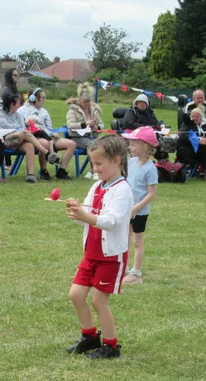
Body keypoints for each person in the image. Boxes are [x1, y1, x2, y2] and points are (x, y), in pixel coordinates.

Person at [65, 135, 132, 360]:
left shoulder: (122, 190)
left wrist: (86, 215)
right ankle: (90, 336)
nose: (95, 168)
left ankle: (111, 346)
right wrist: (77, 211)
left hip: (111, 256)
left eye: (99, 163)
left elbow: (111, 221)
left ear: (116, 161)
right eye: (93, 164)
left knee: (98, 301)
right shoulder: (96, 186)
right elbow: (86, 216)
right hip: (91, 253)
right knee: (76, 295)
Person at [121, 128, 158, 285]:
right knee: (124, 240)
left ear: (145, 146)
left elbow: (151, 194)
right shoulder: (130, 163)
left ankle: (136, 274)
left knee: (137, 242)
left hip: (140, 212)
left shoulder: (151, 169)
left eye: (134, 144)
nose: (130, 147)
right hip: (128, 209)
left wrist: (137, 208)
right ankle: (124, 268)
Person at [0, 90, 56, 183]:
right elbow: (4, 125)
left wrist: (20, 128)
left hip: (20, 139)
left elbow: (22, 126)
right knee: (25, 133)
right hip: (6, 139)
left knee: (29, 146)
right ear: (12, 104)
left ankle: (30, 175)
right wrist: (18, 128)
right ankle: (47, 153)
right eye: (18, 103)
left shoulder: (18, 114)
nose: (20, 105)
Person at [18, 87, 76, 180]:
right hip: (32, 137)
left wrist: (53, 133)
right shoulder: (22, 110)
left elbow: (49, 128)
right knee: (45, 143)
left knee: (71, 144)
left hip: (47, 137)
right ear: (34, 98)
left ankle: (61, 171)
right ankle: (43, 171)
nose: (44, 100)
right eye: (43, 97)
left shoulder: (44, 112)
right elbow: (20, 127)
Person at [66, 83, 104, 151]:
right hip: (78, 138)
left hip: (92, 137)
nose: (87, 105)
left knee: (106, 146)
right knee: (94, 148)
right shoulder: (73, 110)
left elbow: (101, 124)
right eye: (84, 102)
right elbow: (70, 125)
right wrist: (84, 124)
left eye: (88, 102)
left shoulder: (94, 110)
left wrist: (96, 127)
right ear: (79, 101)